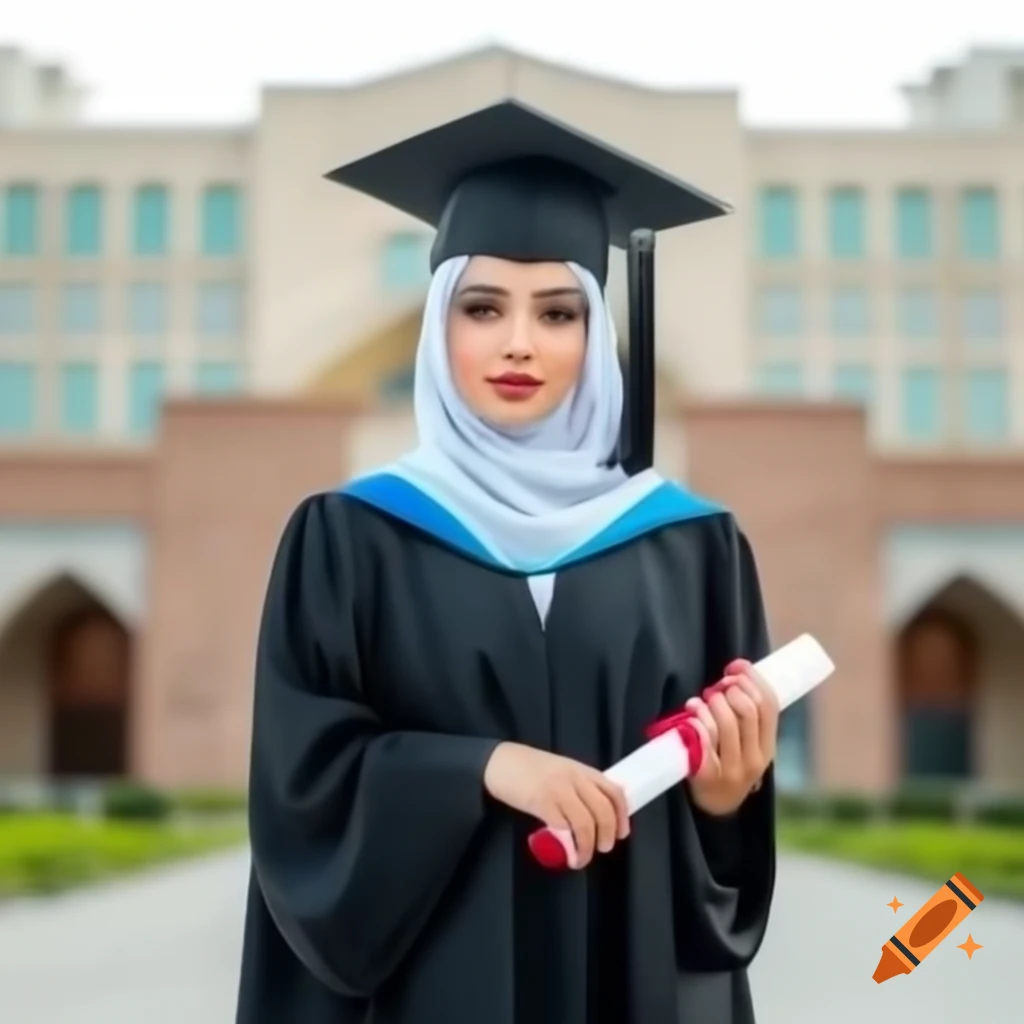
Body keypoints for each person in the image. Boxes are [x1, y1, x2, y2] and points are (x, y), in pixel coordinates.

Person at [235, 101, 779, 1024]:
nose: (519, 341)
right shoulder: (349, 538)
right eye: (482, 307)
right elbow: (303, 792)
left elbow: (719, 886)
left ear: (595, 334)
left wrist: (726, 801)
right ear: (436, 326)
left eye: (558, 312)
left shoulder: (691, 546)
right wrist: (486, 769)